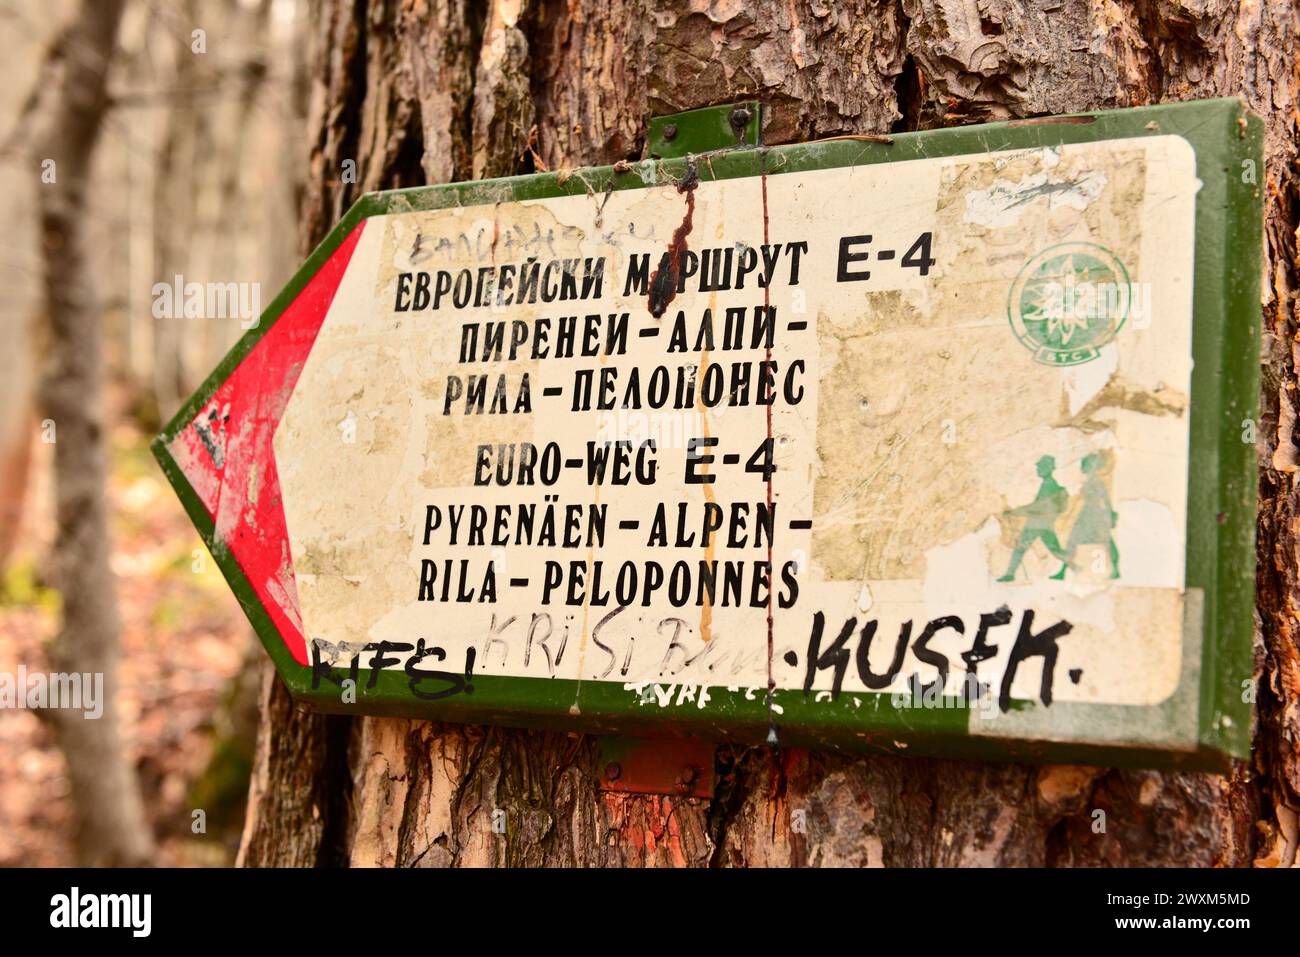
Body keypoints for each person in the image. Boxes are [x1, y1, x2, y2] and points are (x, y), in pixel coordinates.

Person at [997, 455, 1069, 582]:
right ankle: (1073, 567)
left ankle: (1010, 574)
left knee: (1020, 548)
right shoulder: (1048, 484)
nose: (1038, 469)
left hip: (1036, 525)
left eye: (1041, 466)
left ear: (1048, 468)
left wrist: (1015, 512)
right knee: (1055, 550)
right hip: (1044, 525)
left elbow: (1037, 506)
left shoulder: (1049, 485)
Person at [1050, 451, 1119, 580]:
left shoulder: (1097, 482)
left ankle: (1116, 569)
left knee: (1106, 543)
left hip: (1095, 515)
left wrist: (1110, 514)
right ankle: (1063, 571)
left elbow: (1105, 499)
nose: (1086, 467)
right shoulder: (1089, 481)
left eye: (1088, 464)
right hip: (1087, 514)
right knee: (1074, 541)